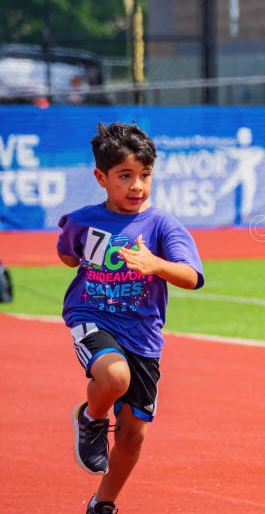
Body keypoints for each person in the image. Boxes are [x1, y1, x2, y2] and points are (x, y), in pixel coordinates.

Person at [57, 122, 204, 514]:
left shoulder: (162, 225)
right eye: (125, 176)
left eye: (144, 175)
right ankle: (90, 418)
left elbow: (192, 276)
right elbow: (67, 252)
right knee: (113, 375)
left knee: (132, 436)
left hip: (143, 336)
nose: (137, 185)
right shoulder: (83, 220)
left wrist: (154, 264)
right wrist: (78, 261)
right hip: (92, 317)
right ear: (101, 178)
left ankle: (103, 504)